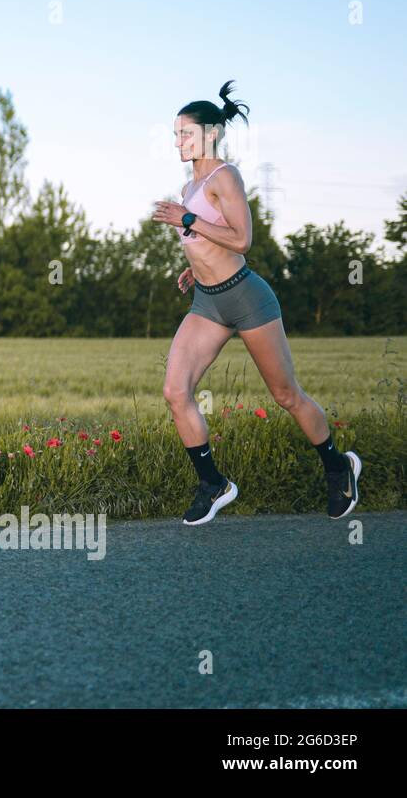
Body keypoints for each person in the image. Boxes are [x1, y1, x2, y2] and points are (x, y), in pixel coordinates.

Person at [151, 81, 361, 526]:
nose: (177, 142)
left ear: (209, 134)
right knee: (175, 392)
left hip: (246, 297)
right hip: (208, 302)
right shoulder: (191, 184)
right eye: (175, 135)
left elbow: (242, 240)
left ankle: (337, 466)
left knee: (286, 394)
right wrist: (196, 265)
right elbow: (210, 239)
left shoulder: (225, 176)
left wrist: (186, 219)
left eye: (185, 134)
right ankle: (213, 484)